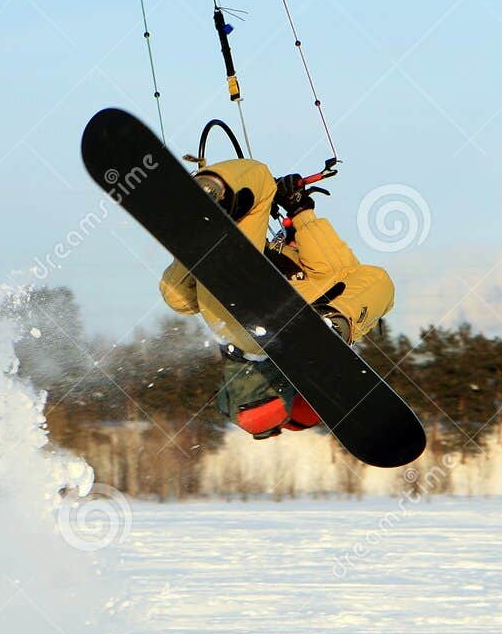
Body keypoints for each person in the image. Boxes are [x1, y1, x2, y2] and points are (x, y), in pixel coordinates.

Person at [158, 156, 395, 439]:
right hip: (247, 320)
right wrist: (300, 211)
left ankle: (210, 195)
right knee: (374, 281)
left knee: (258, 176)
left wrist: (300, 213)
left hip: (232, 317)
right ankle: (209, 205)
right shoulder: (314, 285)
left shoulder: (313, 279)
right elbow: (340, 267)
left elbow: (177, 295)